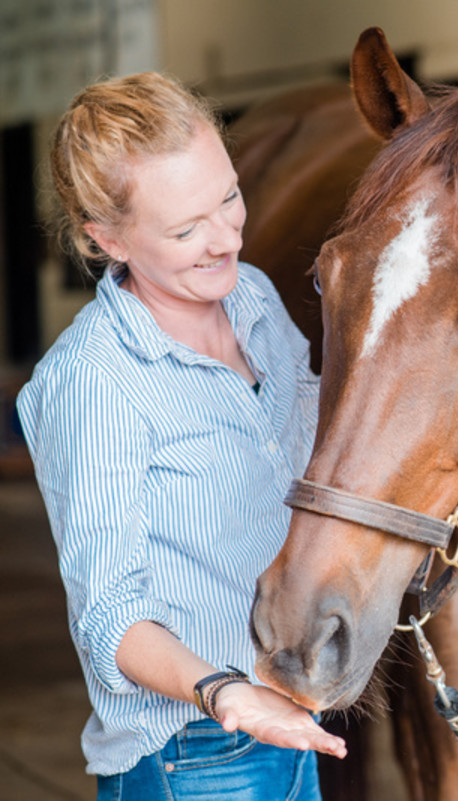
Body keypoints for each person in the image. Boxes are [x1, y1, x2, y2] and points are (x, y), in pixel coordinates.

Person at [17, 72, 346, 800]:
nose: (226, 238)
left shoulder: (252, 294)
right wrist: (226, 693)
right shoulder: (95, 380)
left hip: (285, 717)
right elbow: (110, 616)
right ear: (108, 238)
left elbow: (317, 447)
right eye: (185, 228)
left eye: (227, 196)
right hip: (192, 756)